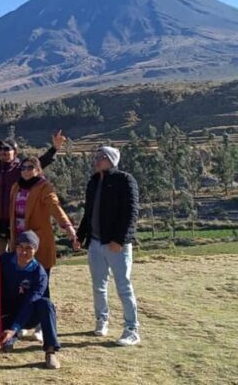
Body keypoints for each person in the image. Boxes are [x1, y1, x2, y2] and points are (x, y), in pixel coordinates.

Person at [75, 146, 141, 346]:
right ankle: (101, 320)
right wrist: (80, 236)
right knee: (98, 286)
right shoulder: (93, 182)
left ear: (111, 160)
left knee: (123, 287)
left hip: (116, 245)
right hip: (95, 243)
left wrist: (120, 240)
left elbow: (131, 212)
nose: (96, 160)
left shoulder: (125, 180)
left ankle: (132, 329)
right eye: (96, 156)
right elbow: (88, 213)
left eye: (101, 157)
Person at [7, 156, 76, 342]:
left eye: (30, 167)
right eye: (23, 167)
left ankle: (42, 326)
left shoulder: (44, 187)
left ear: (38, 170)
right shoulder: (16, 187)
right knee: (20, 286)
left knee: (41, 286)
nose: (26, 170)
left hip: (38, 244)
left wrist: (67, 226)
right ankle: (22, 323)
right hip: (19, 243)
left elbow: (55, 206)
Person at [0, 230, 62, 369]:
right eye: (20, 247)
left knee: (46, 304)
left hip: (27, 313)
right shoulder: (4, 260)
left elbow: (30, 303)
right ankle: (11, 337)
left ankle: (50, 350)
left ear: (35, 250)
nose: (24, 251)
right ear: (15, 247)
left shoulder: (40, 274)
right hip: (5, 312)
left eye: (29, 248)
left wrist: (14, 328)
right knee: (0, 339)